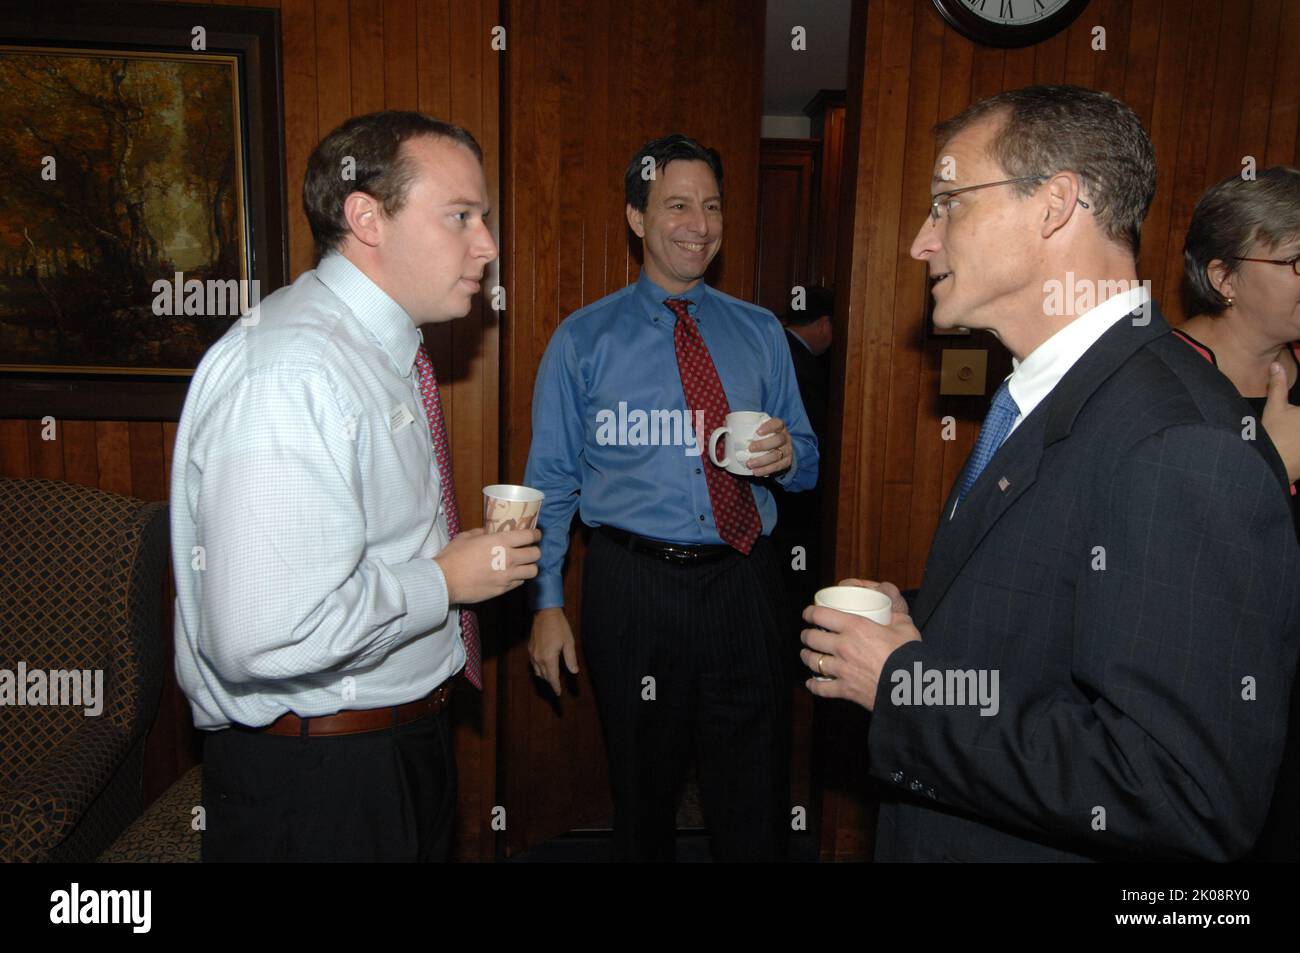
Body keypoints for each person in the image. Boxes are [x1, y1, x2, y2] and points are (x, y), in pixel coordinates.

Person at [799, 86, 1300, 862]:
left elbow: (1179, 791)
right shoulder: (1047, 392)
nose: (920, 241)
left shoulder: (1182, 440)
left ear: (1055, 205)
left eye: (948, 203)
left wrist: (905, 685)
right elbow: (1060, 616)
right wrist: (922, 617)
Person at [171, 111, 541, 862]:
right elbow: (262, 635)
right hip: (321, 783)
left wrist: (446, 563)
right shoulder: (292, 370)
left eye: (485, 218)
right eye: (460, 216)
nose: (487, 245)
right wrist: (442, 581)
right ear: (366, 217)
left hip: (391, 749)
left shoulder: (378, 348)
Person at [524, 134, 819, 861]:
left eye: (712, 205)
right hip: (633, 589)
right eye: (678, 204)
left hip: (746, 580)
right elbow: (551, 481)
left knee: (754, 798)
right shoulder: (581, 341)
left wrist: (786, 458)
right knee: (642, 794)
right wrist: (546, 603)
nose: (699, 223)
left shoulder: (760, 333)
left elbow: (808, 462)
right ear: (636, 216)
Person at [1175, 166, 1300, 860]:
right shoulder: (1157, 376)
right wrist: (1271, 471)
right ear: (1223, 275)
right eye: (1296, 260)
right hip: (1208, 688)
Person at [773, 285, 834, 615]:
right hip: (789, 497)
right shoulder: (802, 364)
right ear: (824, 324)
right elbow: (810, 436)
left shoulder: (771, 346)